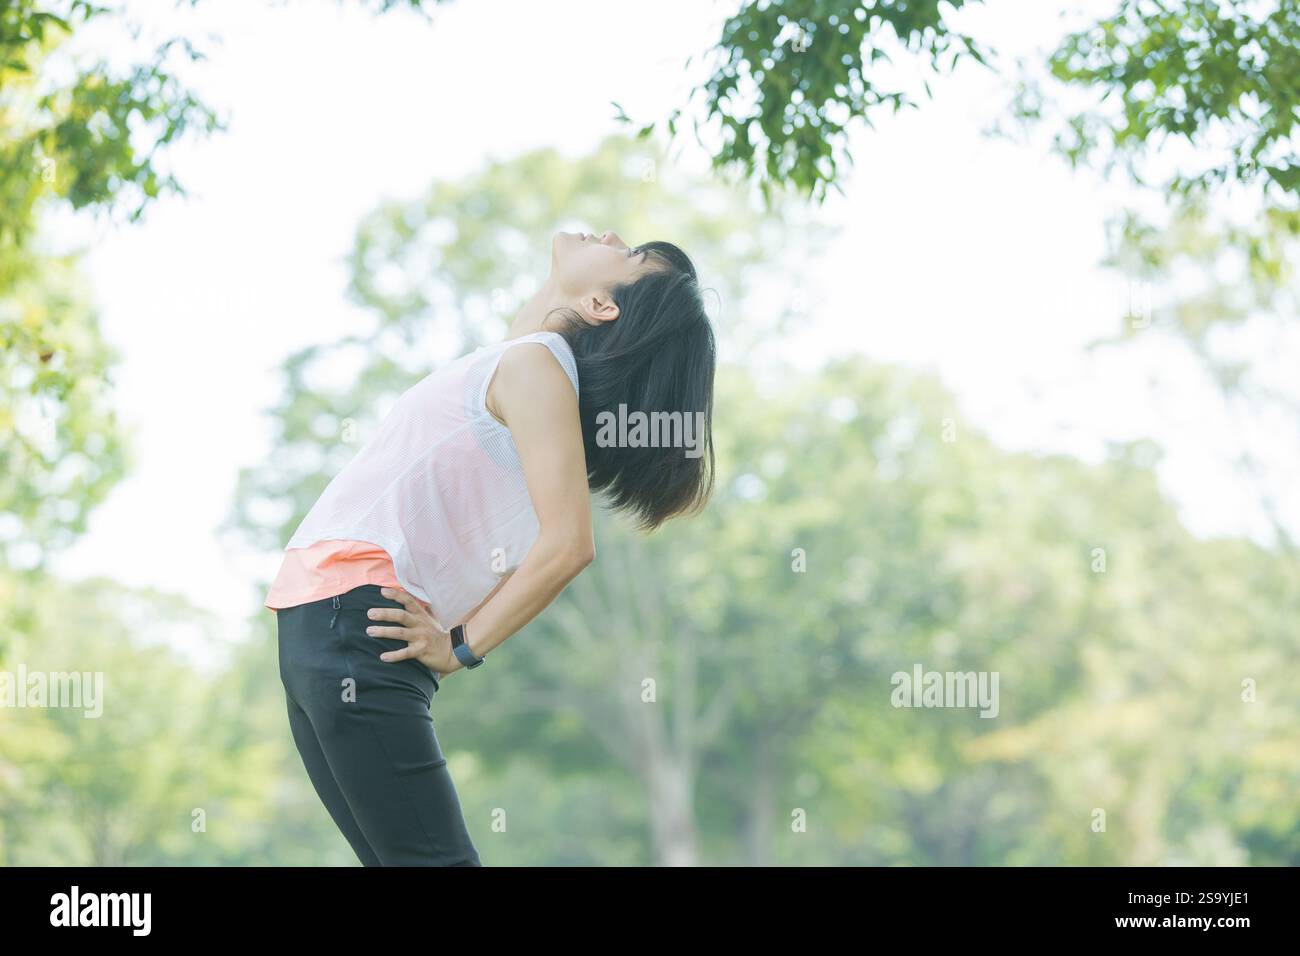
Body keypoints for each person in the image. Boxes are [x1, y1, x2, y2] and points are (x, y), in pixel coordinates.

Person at [267, 230, 717, 865]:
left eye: (632, 256)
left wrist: (459, 647)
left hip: (355, 625)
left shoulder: (538, 369)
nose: (613, 237)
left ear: (602, 305)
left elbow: (570, 545)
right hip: (323, 625)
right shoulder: (524, 365)